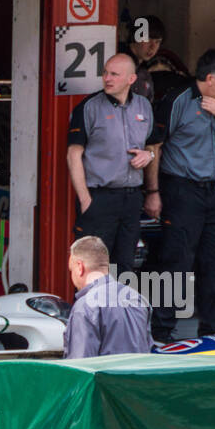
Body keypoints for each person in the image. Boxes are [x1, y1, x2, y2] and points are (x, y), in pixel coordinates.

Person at [144, 50, 215, 344]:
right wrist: (152, 192)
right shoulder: (178, 100)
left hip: (210, 191)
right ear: (210, 78)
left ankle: (213, 329)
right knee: (176, 261)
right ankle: (161, 332)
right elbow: (154, 147)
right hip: (180, 189)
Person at [67, 53, 155, 276]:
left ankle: (116, 311)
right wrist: (86, 199)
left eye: (114, 74)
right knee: (91, 268)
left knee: (124, 266)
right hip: (100, 198)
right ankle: (91, 312)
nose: (107, 78)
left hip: (131, 198)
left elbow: (153, 147)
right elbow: (73, 155)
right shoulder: (88, 107)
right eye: (105, 73)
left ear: (131, 79)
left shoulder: (144, 107)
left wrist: (148, 156)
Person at [63, 236, 152, 358]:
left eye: (71, 270)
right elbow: (147, 349)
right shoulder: (138, 299)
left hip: (105, 377)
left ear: (80, 267)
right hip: (137, 376)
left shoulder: (85, 306)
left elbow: (80, 365)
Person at [121, 15, 189, 102]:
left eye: (157, 42)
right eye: (148, 40)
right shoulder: (122, 63)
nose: (152, 47)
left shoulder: (146, 65)